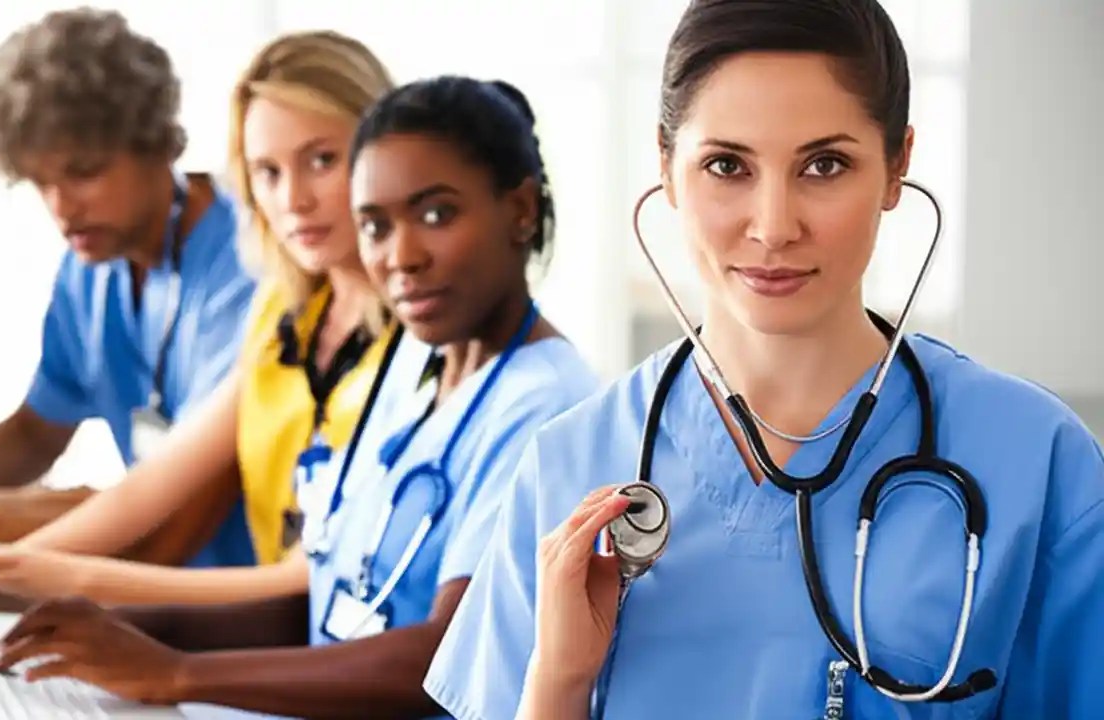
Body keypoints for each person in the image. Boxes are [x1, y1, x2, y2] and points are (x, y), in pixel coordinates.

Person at [423, 2, 1104, 719]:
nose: (774, 227)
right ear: (667, 168)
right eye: (726, 165)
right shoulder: (568, 464)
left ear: (898, 165)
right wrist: (557, 684)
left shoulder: (1036, 459)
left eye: (824, 164)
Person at [0, 76, 599, 719]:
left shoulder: (546, 404)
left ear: (520, 211)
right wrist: (125, 631)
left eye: (436, 215)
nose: (401, 257)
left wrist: (177, 673)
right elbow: (326, 601)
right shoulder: (414, 365)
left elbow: (443, 656)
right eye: (375, 226)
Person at [0, 30, 400, 607]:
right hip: (252, 627)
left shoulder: (261, 279)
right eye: (268, 172)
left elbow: (183, 532)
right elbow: (124, 478)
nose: (61, 207)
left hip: (236, 614)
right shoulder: (291, 312)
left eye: (84, 172)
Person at [0, 7, 257, 569]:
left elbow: (170, 526)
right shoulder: (89, 271)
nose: (61, 208)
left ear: (157, 143)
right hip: (137, 590)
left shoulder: (244, 269)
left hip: (223, 607)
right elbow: (33, 435)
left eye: (84, 172)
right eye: (41, 182)